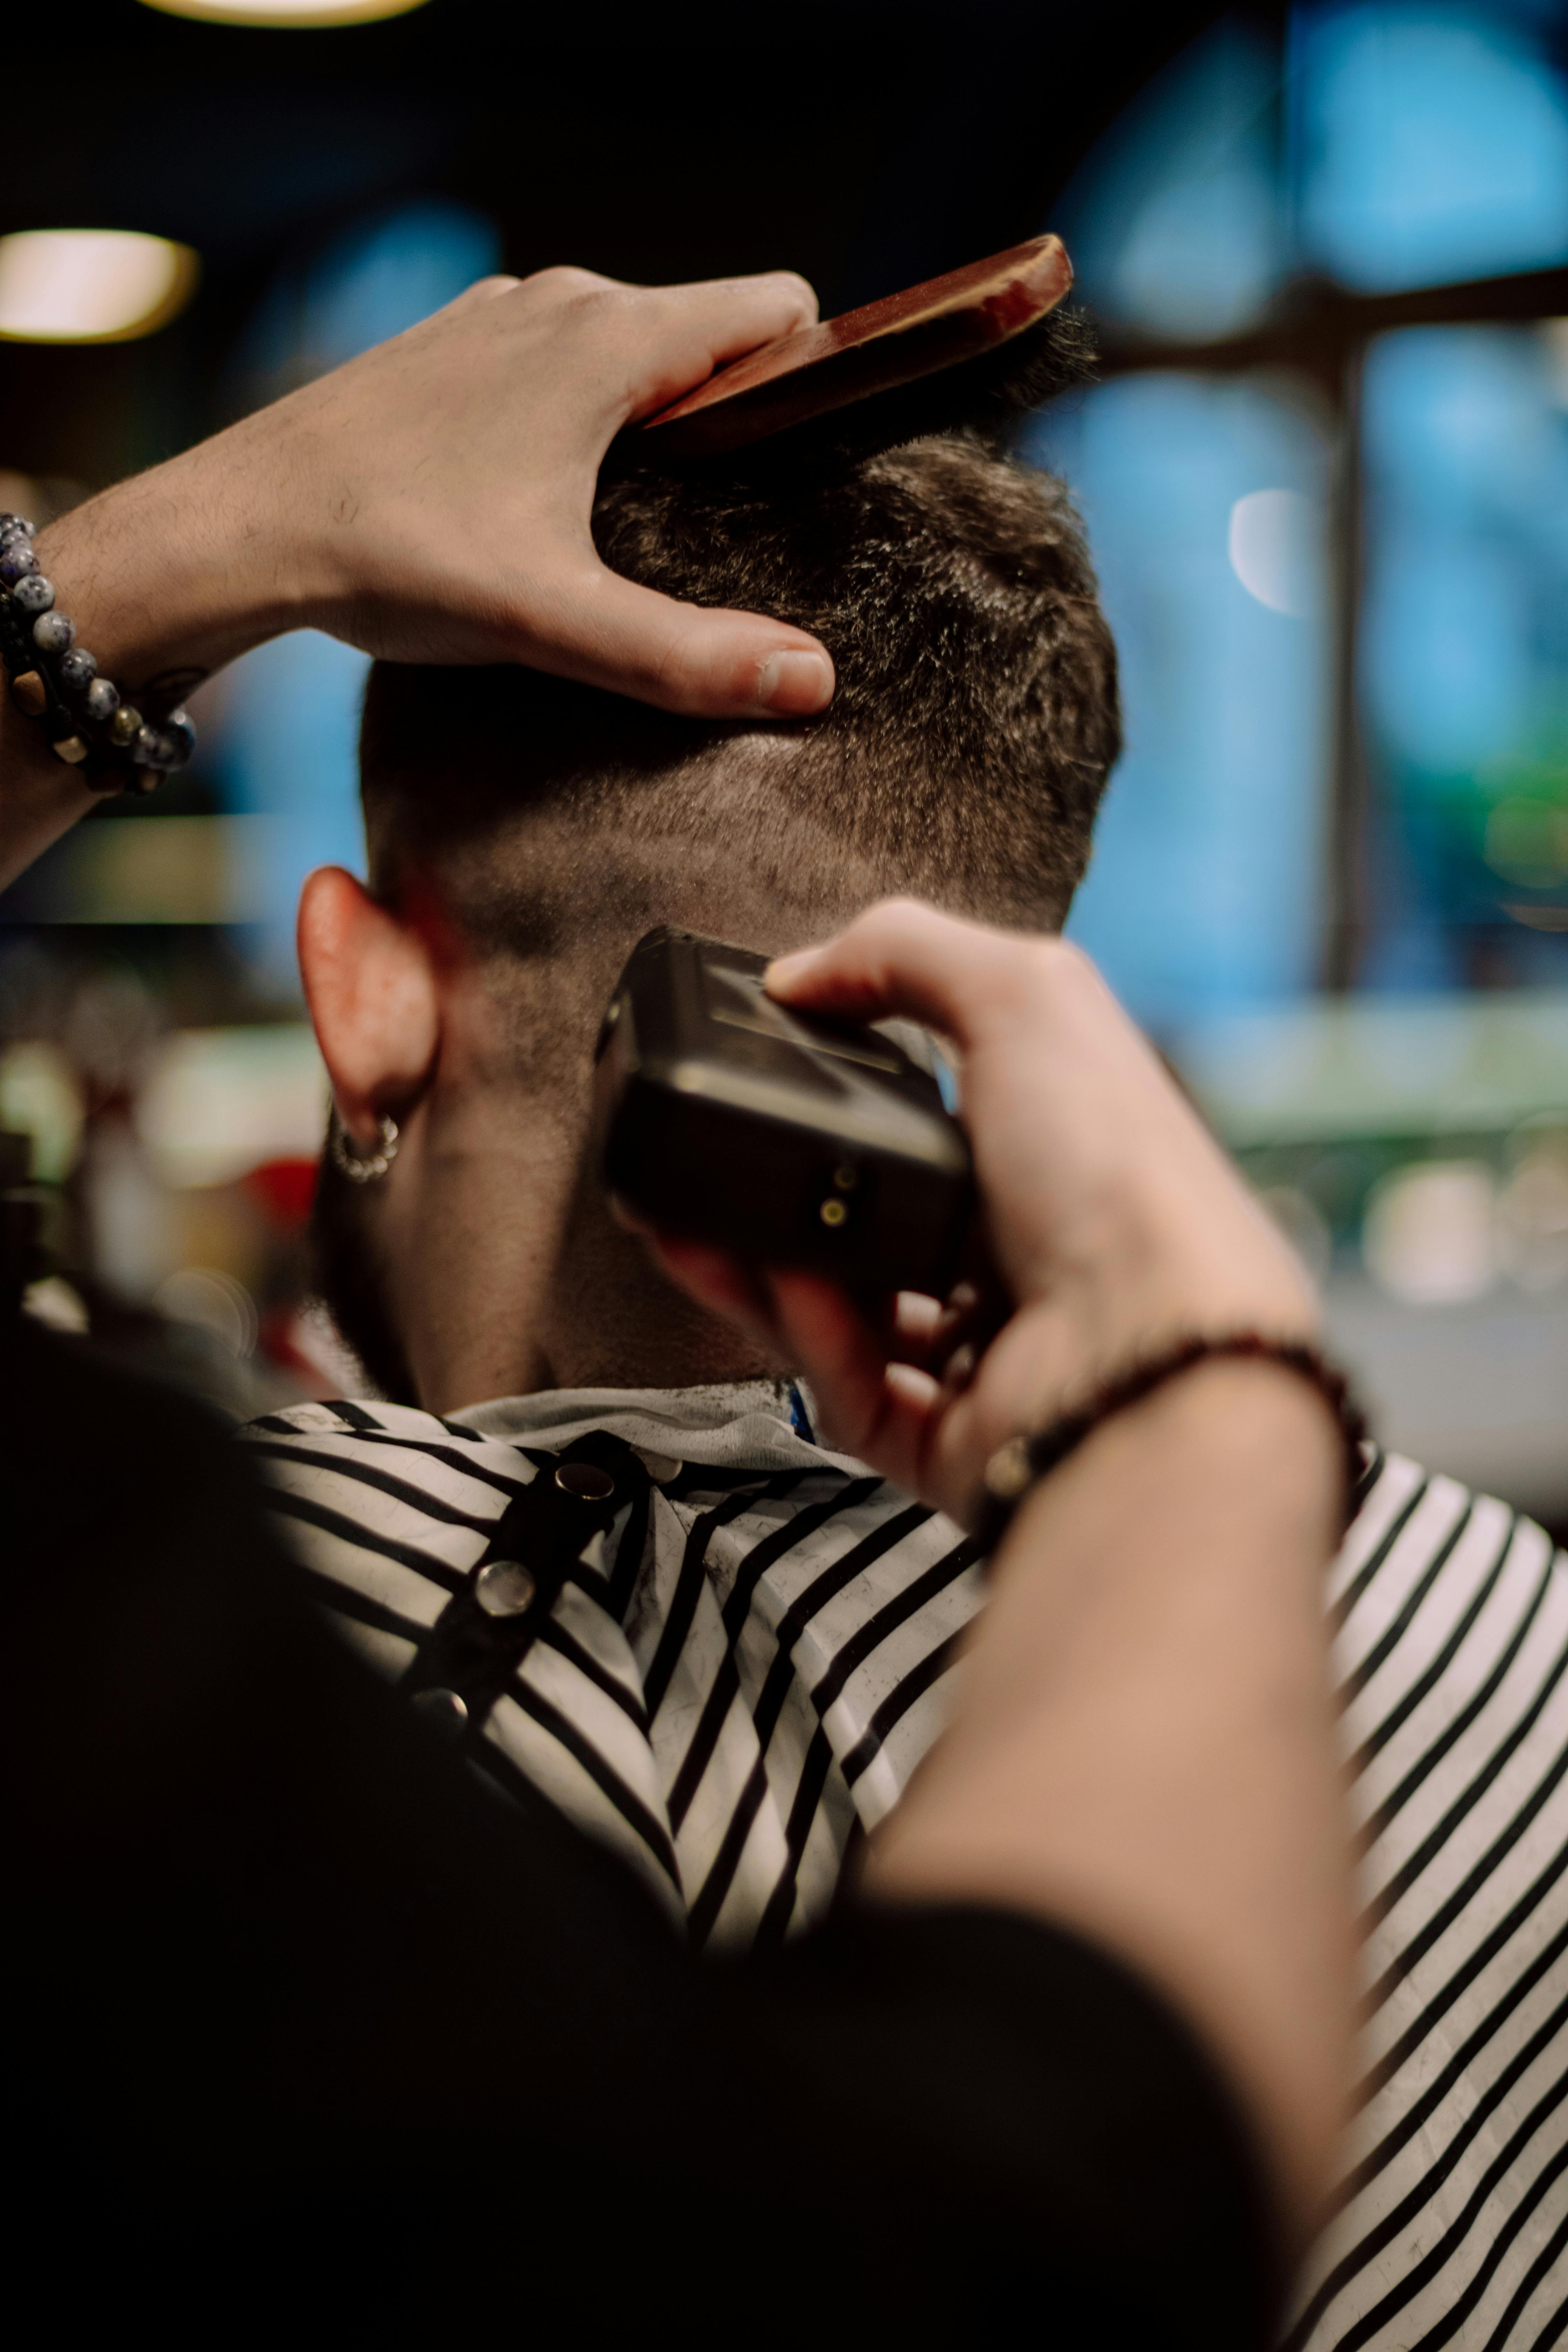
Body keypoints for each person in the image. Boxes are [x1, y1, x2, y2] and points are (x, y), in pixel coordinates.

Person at [0, 263, 1558, 2338]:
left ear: (358, 996)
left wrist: (168, 554)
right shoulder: (1493, 1640)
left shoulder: (132, 1706)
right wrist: (1218, 1405)